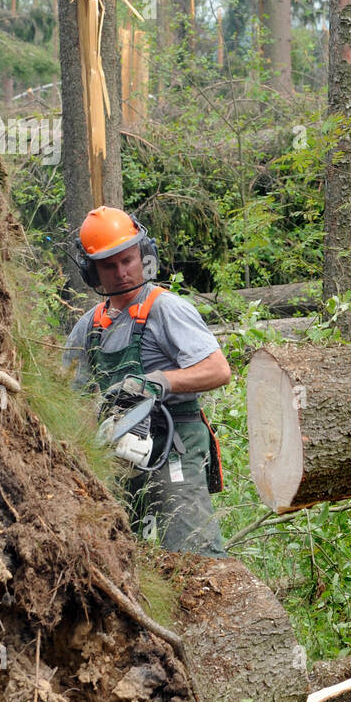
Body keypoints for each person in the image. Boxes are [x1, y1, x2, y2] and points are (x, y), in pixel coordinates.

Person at [63, 206, 231, 557]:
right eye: (109, 266)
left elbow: (218, 369)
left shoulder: (165, 308)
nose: (122, 272)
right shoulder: (88, 326)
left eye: (128, 260)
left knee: (191, 550)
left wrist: (156, 383)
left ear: (144, 256)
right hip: (118, 450)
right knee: (119, 551)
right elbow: (69, 397)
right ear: (92, 271)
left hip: (173, 441)